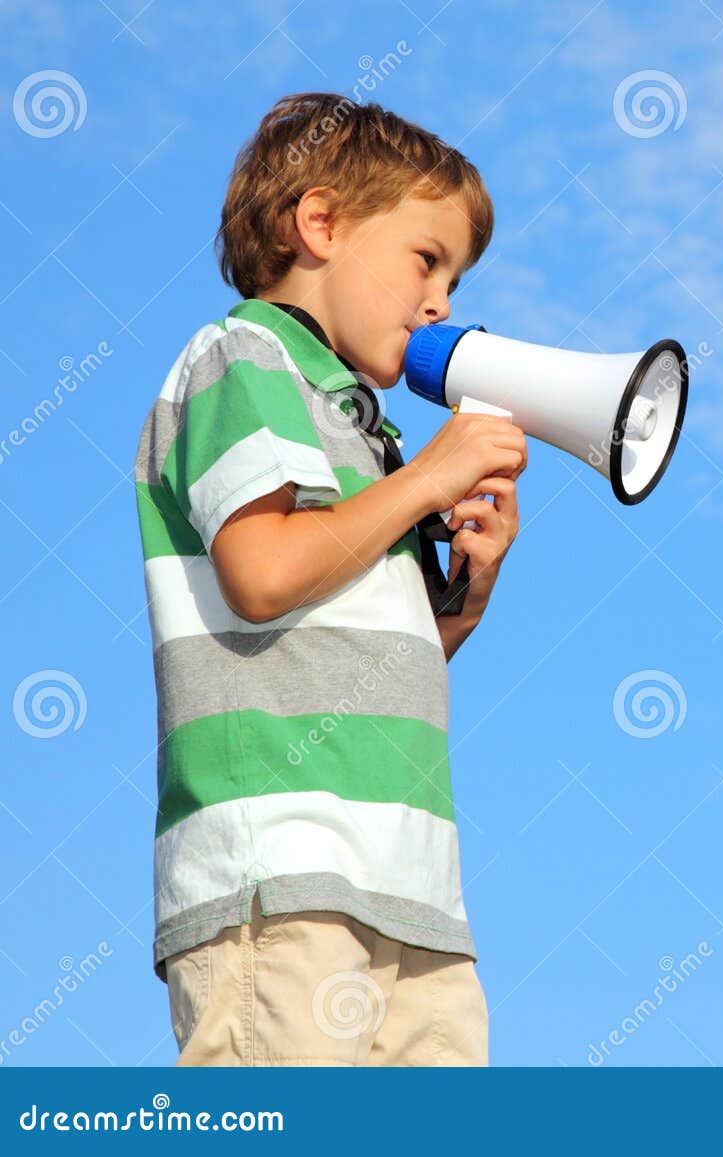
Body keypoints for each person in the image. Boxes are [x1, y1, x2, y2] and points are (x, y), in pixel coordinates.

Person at [132, 92, 526, 1065]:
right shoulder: (242, 358)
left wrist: (462, 595)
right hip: (285, 870)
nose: (442, 302)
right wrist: (429, 477)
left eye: (455, 275)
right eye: (425, 259)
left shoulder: (367, 433)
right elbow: (263, 575)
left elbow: (364, 654)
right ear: (319, 224)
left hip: (415, 893)